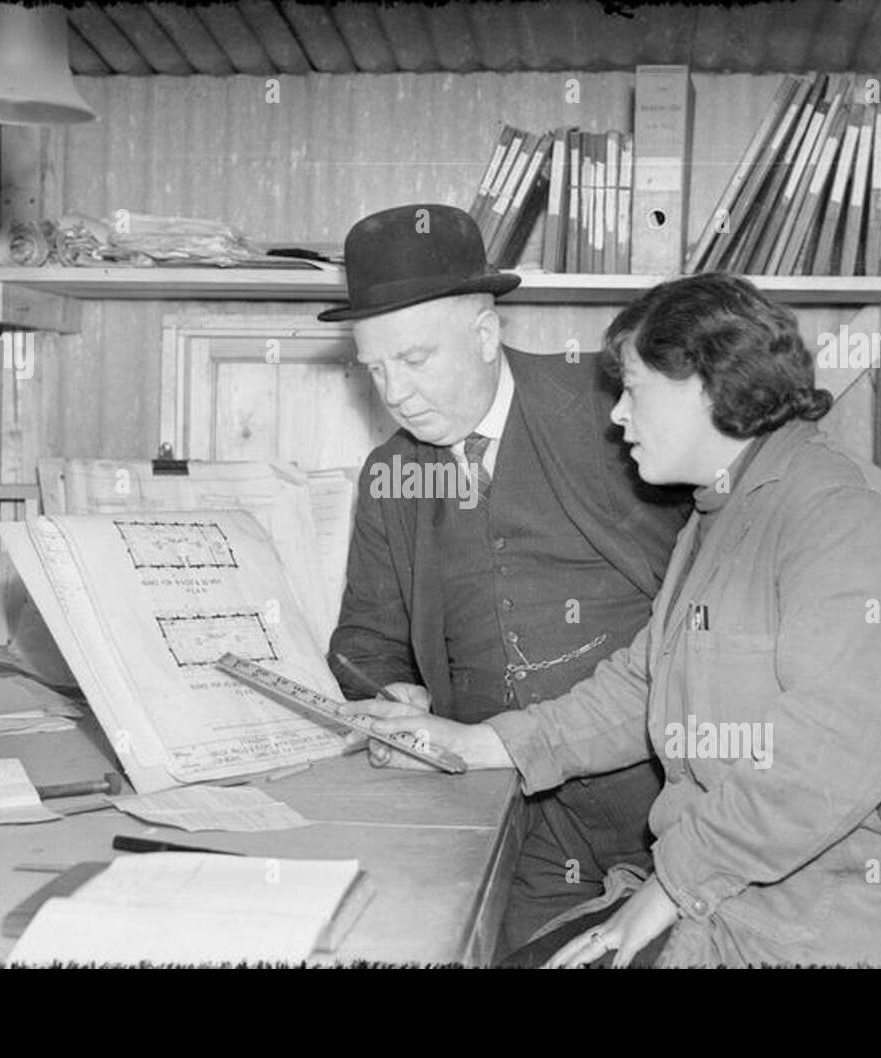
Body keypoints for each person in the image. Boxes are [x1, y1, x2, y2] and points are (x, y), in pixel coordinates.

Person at [355, 272, 881, 968]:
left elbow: (823, 763)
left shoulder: (843, 518)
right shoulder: (722, 513)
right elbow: (642, 683)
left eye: (634, 391)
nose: (615, 416)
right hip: (750, 897)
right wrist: (482, 743)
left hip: (860, 920)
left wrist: (671, 886)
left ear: (705, 385)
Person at [320, 204, 690, 954]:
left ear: (485, 334)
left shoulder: (616, 416)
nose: (393, 392)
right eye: (376, 369)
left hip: (669, 815)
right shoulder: (392, 473)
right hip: (512, 828)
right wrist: (391, 695)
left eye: (415, 360)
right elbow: (364, 640)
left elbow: (715, 601)